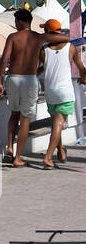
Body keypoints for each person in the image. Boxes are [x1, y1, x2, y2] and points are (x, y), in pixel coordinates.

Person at [0, 9, 51, 167]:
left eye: (15, 22)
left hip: (13, 78)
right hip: (29, 80)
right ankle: (18, 157)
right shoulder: (37, 38)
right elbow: (44, 61)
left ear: (20, 21)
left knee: (14, 114)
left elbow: (5, 59)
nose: (14, 24)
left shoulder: (13, 37)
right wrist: (36, 71)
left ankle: (9, 147)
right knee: (25, 118)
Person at [39, 20, 86, 169]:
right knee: (58, 124)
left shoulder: (43, 50)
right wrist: (83, 77)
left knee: (55, 124)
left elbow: (40, 68)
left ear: (47, 31)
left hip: (50, 91)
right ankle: (47, 157)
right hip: (65, 91)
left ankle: (60, 151)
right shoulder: (71, 48)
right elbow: (81, 67)